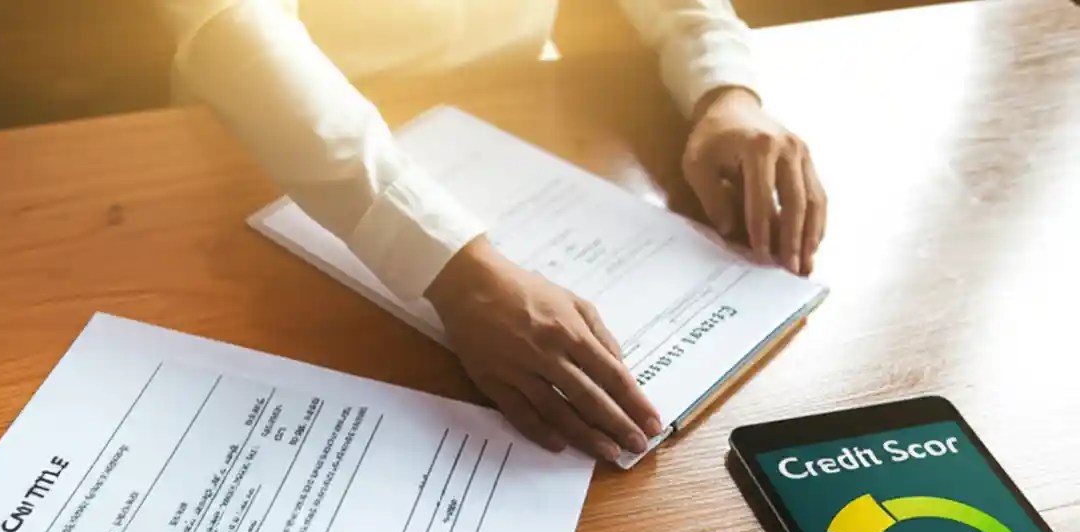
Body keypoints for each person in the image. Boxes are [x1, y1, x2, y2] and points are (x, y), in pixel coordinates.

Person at [156, 0, 827, 463]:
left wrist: (723, 87)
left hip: (521, 119)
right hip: (265, 166)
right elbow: (232, 27)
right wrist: (452, 267)